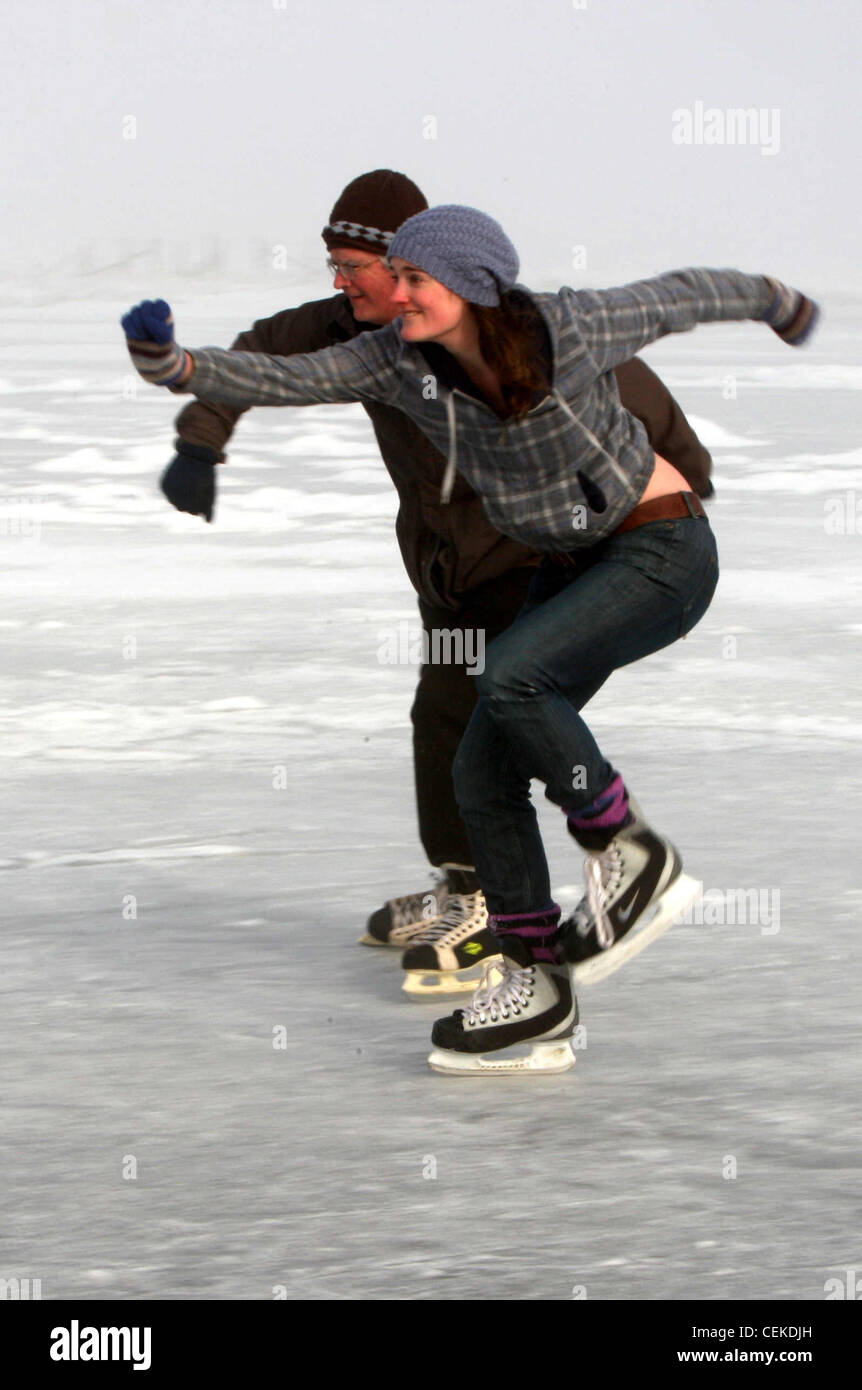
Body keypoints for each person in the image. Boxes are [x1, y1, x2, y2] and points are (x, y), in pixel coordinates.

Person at [122, 204, 818, 1074]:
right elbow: (283, 373)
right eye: (396, 278)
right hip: (573, 567)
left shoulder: (568, 324)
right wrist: (175, 366)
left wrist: (775, 300)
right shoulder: (394, 363)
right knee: (480, 771)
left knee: (511, 676)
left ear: (473, 284)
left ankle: (626, 849)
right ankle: (538, 989)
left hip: (662, 549)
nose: (396, 295)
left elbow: (682, 296)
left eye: (415, 280)